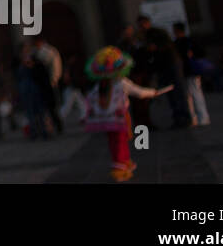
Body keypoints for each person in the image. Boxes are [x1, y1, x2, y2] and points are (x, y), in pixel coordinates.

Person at [83, 46, 171, 181]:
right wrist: (153, 92)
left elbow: (91, 100)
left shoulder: (100, 84)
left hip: (106, 119)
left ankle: (124, 162)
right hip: (119, 117)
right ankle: (120, 167)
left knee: (114, 141)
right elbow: (139, 92)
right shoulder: (121, 82)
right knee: (121, 140)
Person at [139, 15, 190, 128]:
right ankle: (178, 117)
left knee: (178, 91)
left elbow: (167, 46)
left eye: (143, 24)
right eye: (140, 25)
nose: (142, 27)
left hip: (171, 64)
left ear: (148, 23)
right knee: (170, 93)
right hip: (162, 66)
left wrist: (156, 47)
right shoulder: (146, 36)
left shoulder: (158, 33)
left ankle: (184, 117)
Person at [172, 22, 210, 127]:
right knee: (194, 94)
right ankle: (199, 118)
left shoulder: (181, 42)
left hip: (188, 71)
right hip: (189, 71)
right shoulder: (188, 41)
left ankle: (199, 118)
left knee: (193, 94)